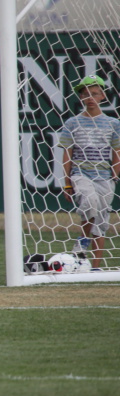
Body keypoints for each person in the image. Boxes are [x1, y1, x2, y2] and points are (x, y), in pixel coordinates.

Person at [59, 75, 120, 269]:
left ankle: (95, 267)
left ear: (102, 96)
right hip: (81, 174)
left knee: (102, 222)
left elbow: (116, 151)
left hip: (103, 177)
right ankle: (82, 242)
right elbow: (67, 153)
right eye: (86, 94)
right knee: (89, 200)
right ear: (81, 98)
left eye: (94, 94)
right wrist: (68, 182)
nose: (90, 98)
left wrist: (114, 175)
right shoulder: (72, 123)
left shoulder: (113, 124)